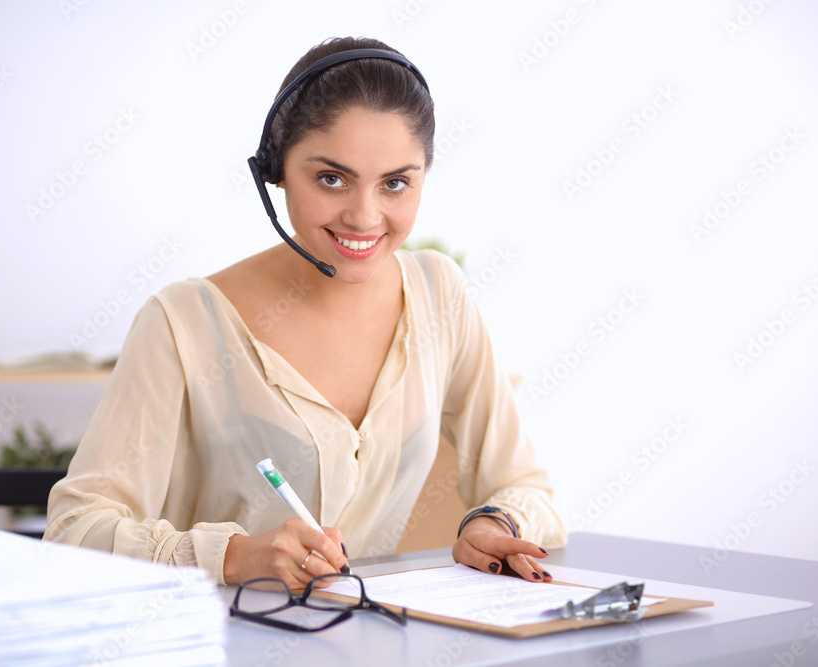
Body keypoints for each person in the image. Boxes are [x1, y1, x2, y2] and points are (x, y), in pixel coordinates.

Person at [43, 36, 567, 588]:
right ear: (276, 170)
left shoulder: (439, 294)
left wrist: (496, 521)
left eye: (395, 183)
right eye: (331, 179)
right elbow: (74, 533)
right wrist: (232, 556)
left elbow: (527, 485)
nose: (365, 217)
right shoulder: (182, 322)